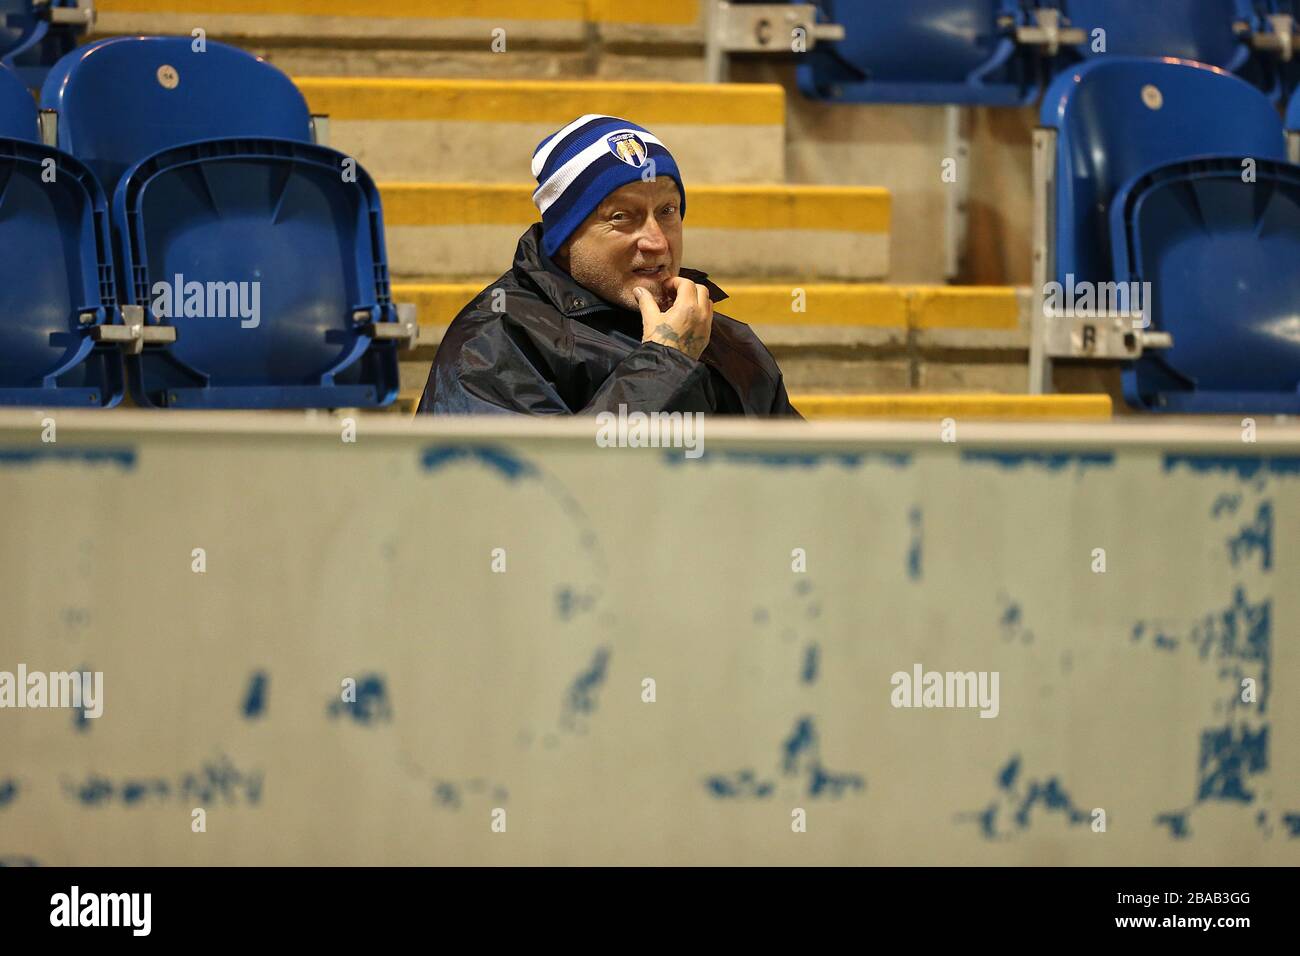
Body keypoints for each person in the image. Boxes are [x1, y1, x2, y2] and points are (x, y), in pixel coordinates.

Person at [418, 114, 802, 417]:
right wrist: (666, 361)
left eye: (667, 211)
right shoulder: (495, 340)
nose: (656, 241)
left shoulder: (718, 336)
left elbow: (804, 481)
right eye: (622, 216)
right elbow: (537, 494)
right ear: (565, 238)